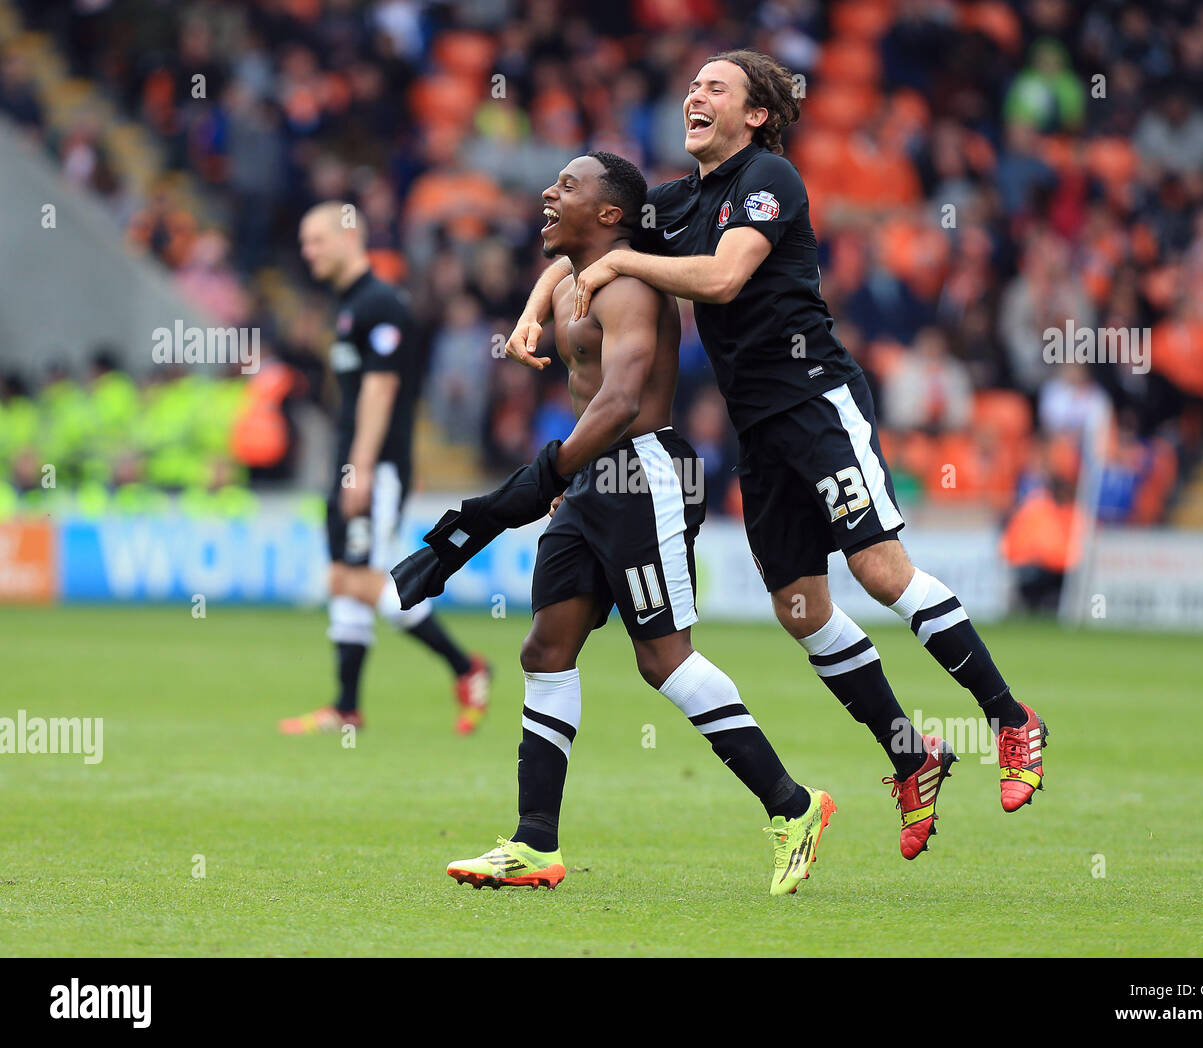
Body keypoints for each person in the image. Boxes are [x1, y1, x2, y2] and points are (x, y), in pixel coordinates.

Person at [505, 50, 1048, 860]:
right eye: (691, 86)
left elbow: (723, 280)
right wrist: (534, 310)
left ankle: (1012, 721)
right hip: (757, 430)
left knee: (879, 572)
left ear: (757, 113)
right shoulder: (674, 203)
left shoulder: (770, 180)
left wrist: (618, 262)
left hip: (815, 402)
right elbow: (588, 243)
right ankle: (912, 754)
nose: (695, 95)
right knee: (801, 611)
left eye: (714, 87)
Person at [439, 152, 833, 895]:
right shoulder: (575, 276)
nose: (549, 194)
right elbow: (564, 277)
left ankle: (795, 805)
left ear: (611, 214)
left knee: (663, 659)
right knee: (546, 647)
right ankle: (534, 845)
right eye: (551, 182)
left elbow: (619, 402)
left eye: (568, 187)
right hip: (591, 478)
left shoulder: (630, 284)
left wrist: (545, 475)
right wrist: (534, 307)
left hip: (642, 471)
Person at [279, 201, 490, 737]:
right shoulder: (350, 305)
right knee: (346, 578)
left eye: (316, 240)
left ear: (350, 237)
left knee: (357, 578)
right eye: (304, 242)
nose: (308, 253)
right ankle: (347, 708)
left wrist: (361, 468)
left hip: (372, 465)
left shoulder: (380, 305)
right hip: (353, 461)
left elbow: (381, 389)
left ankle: (465, 668)